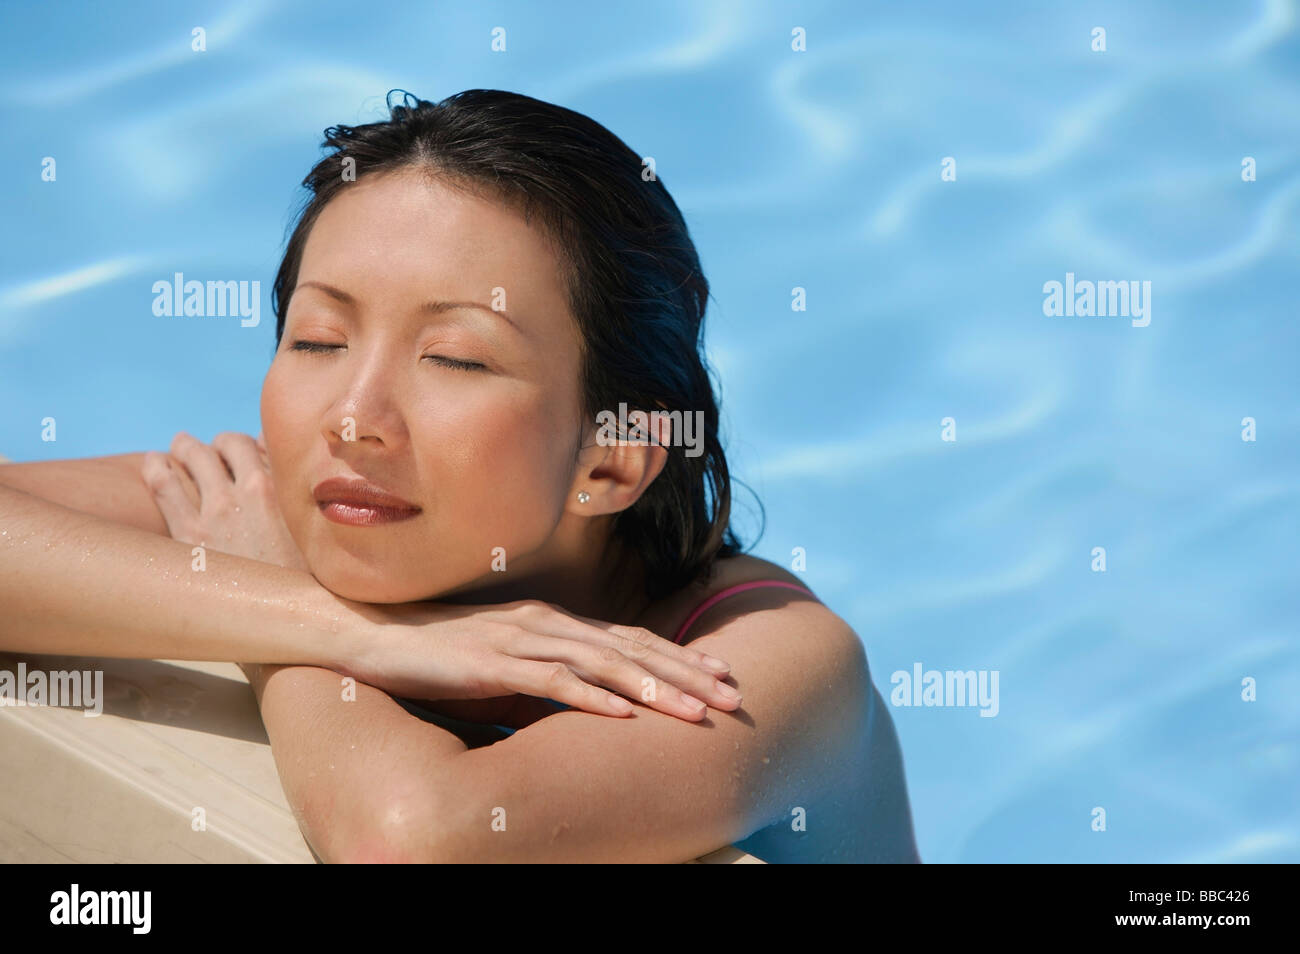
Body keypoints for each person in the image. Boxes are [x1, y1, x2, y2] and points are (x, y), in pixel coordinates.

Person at [0, 89, 920, 863]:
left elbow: (411, 840)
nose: (352, 420)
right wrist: (326, 622)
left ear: (611, 458)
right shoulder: (296, 504)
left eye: (455, 360)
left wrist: (280, 631)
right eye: (319, 338)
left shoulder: (771, 664)